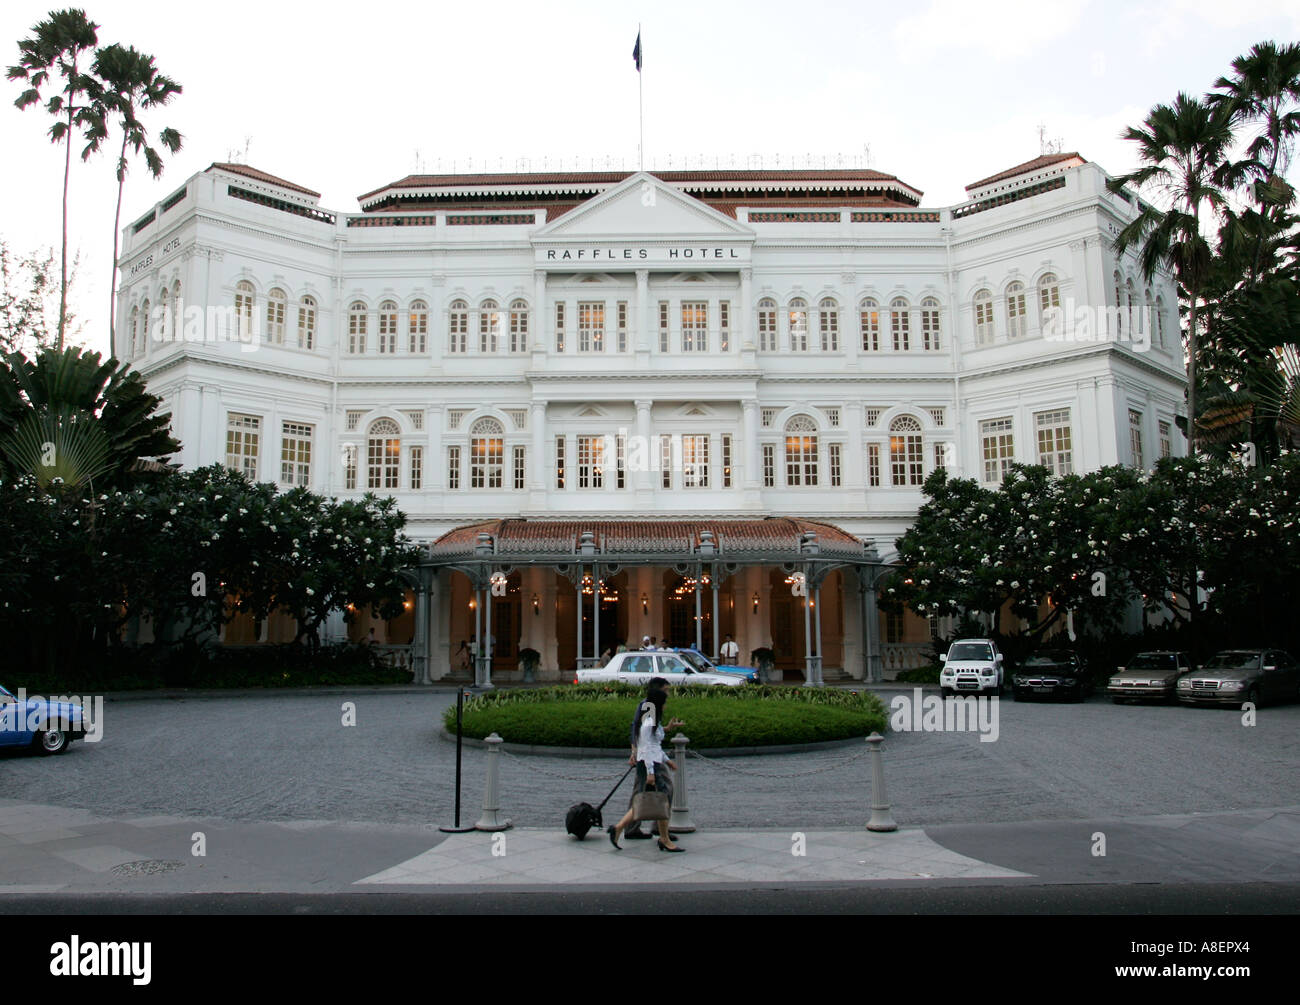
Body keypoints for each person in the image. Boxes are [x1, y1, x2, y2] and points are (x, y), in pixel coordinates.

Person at [609, 688, 685, 852]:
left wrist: (667, 760)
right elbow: (647, 747)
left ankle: (619, 828)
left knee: (646, 801)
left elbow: (654, 746)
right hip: (652, 767)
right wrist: (651, 772)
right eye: (664, 703)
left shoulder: (652, 722)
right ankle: (664, 839)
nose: (665, 706)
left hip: (654, 763)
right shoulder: (649, 723)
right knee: (661, 800)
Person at [622, 677, 668, 841]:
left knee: (646, 791)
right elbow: (641, 732)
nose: (667, 693)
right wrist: (634, 751)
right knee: (648, 791)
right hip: (648, 758)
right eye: (666, 689)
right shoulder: (648, 706)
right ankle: (633, 828)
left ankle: (655, 828)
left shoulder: (652, 705)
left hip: (651, 757)